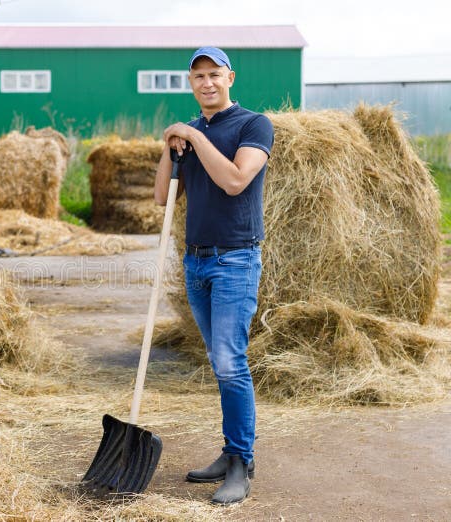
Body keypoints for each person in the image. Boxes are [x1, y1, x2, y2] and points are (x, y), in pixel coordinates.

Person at [153, 46, 274, 505]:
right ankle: (230, 452)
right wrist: (170, 147)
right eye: (198, 76)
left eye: (214, 74)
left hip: (235, 260)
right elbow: (163, 196)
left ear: (230, 78)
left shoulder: (252, 125)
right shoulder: (190, 135)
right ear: (191, 83)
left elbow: (235, 180)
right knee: (219, 362)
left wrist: (193, 135)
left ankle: (242, 462)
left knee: (229, 361)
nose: (206, 82)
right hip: (197, 261)